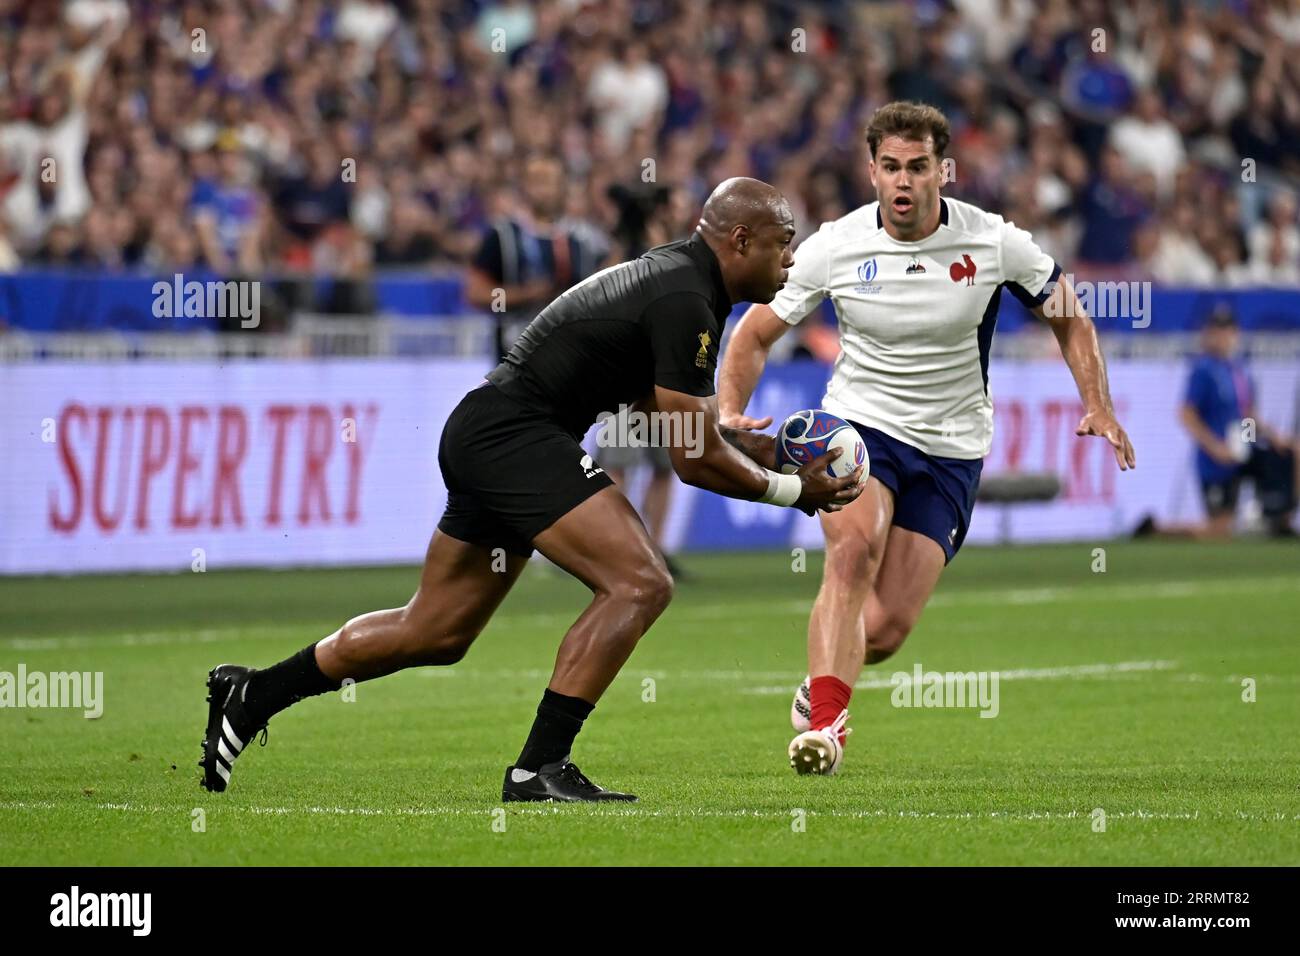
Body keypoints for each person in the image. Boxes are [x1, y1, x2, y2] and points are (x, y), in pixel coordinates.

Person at [199, 177, 862, 803]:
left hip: (492, 431)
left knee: (433, 631)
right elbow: (691, 461)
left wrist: (727, 437)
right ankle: (539, 766)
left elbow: (666, 416)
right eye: (783, 241)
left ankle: (252, 695)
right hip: (516, 436)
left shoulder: (682, 280)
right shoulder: (688, 297)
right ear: (741, 241)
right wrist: (790, 491)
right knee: (640, 582)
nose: (792, 257)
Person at [717, 101, 1136, 776]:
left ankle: (827, 679)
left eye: (918, 167)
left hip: (951, 449)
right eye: (890, 168)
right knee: (851, 554)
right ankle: (827, 727)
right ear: (872, 170)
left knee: (883, 632)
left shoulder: (996, 241)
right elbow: (755, 332)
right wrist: (731, 409)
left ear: (944, 169)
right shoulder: (835, 245)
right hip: (857, 428)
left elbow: (1070, 317)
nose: (904, 182)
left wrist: (1099, 403)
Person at [1135, 308, 1297, 539]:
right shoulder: (1204, 370)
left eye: (1228, 331)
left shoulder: (1238, 369)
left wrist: (1268, 438)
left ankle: (1280, 517)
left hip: (1240, 450)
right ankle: (1156, 531)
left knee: (1289, 455)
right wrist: (1215, 447)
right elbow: (1187, 414)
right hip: (1216, 459)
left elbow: (1246, 414)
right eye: (1217, 331)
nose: (1223, 337)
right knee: (1220, 530)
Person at [465, 153, 609, 360]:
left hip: (574, 356)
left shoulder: (584, 237)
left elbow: (609, 285)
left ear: (563, 187)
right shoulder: (504, 235)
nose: (543, 190)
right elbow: (475, 293)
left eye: (550, 181)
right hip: (516, 356)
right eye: (536, 182)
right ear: (523, 187)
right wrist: (525, 295)